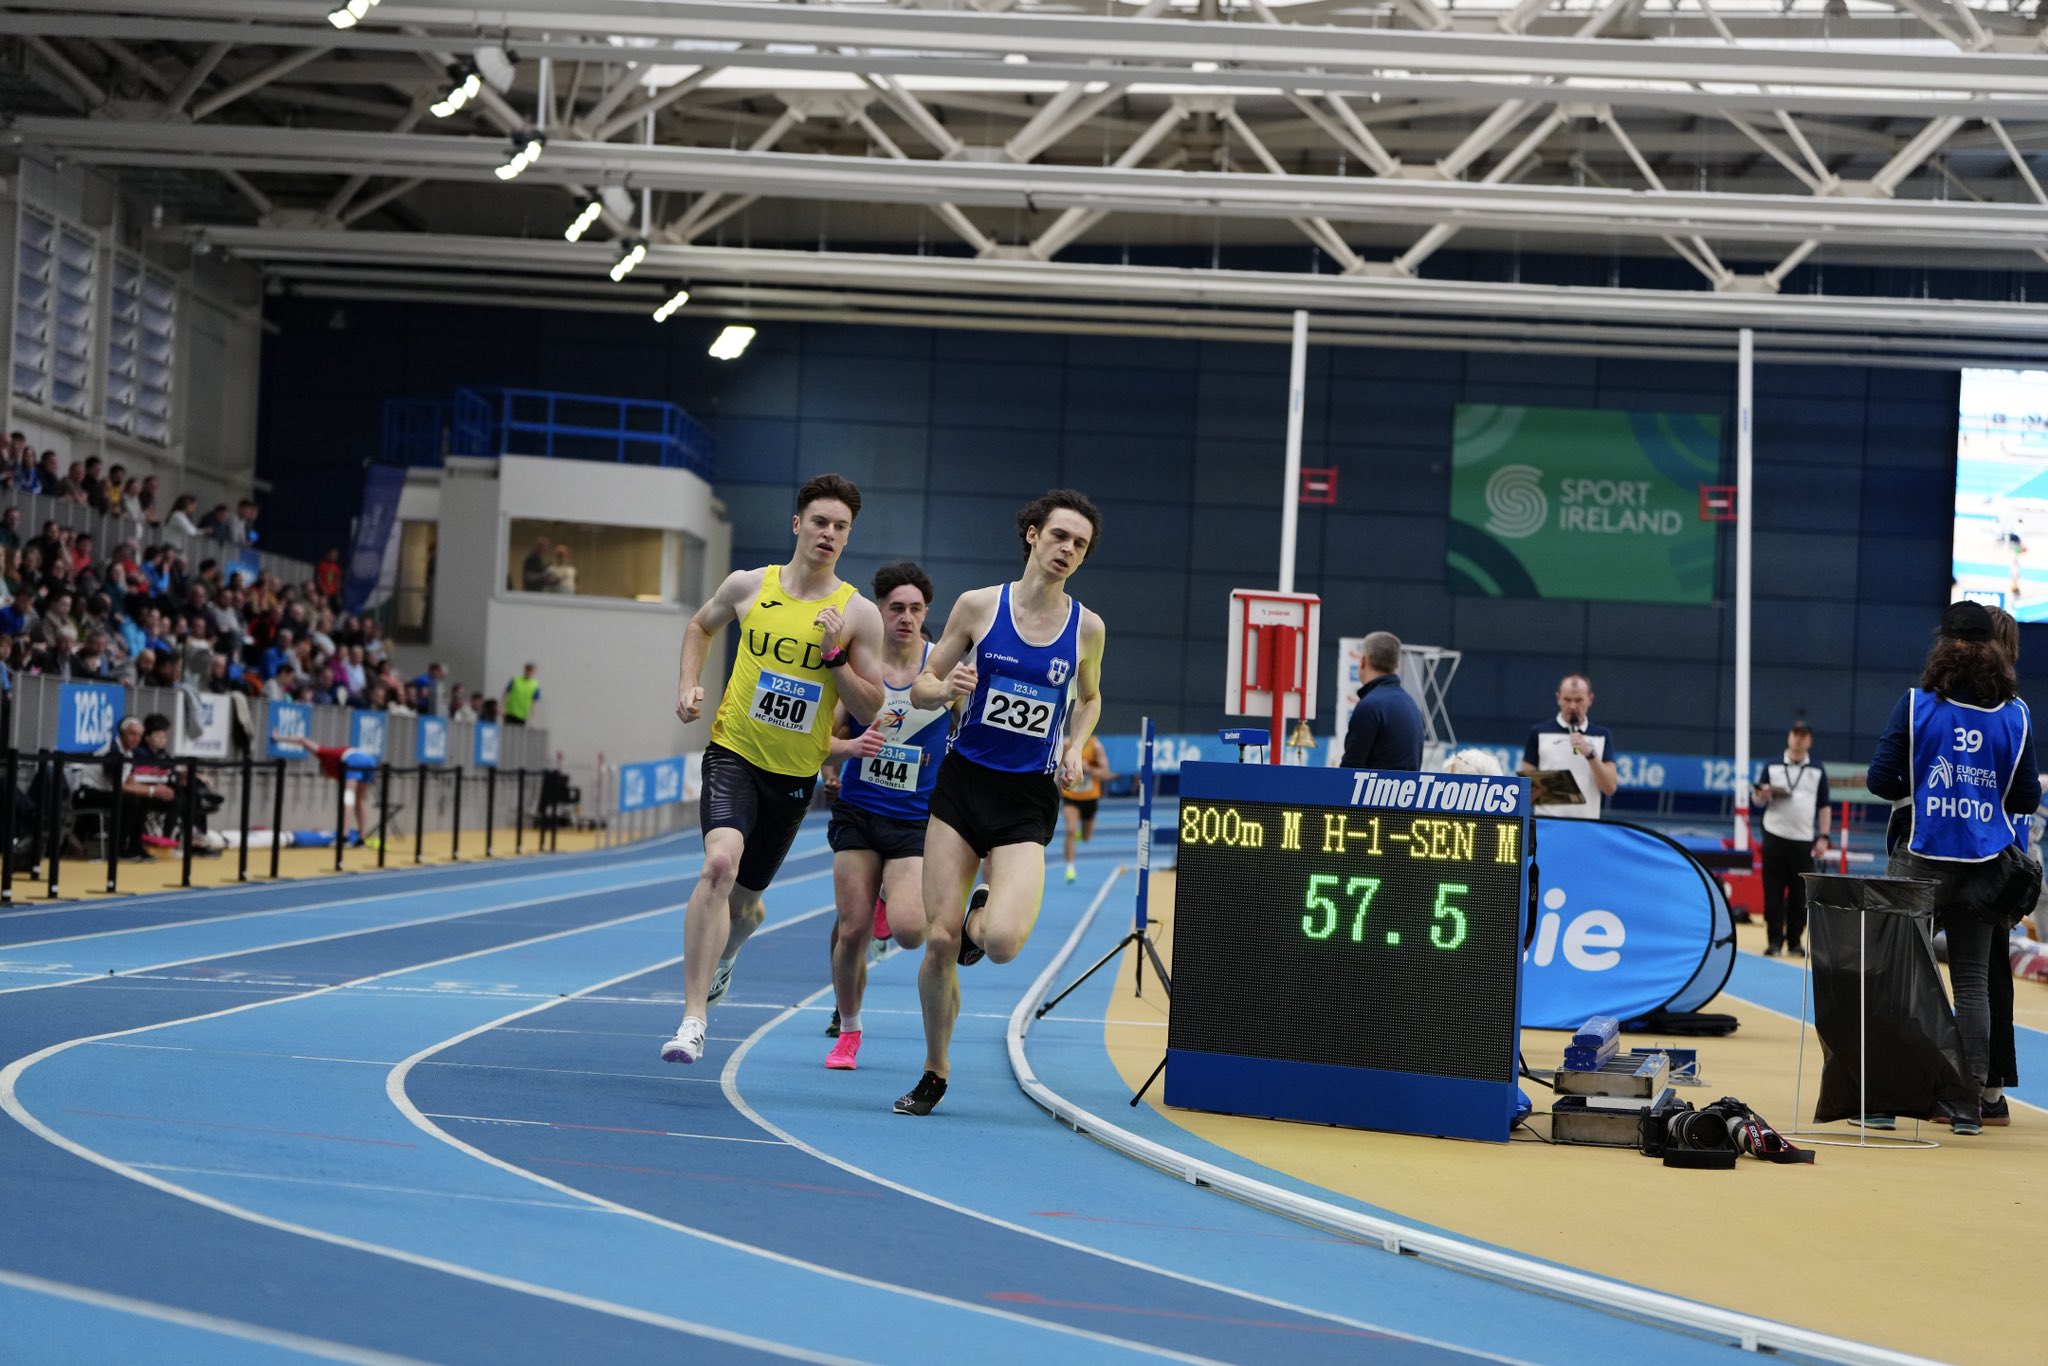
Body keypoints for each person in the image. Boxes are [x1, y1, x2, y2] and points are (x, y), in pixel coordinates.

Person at [660, 473, 886, 1067]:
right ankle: (693, 1019)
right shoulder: (748, 585)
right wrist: (688, 684)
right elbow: (699, 627)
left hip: (792, 778)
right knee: (718, 865)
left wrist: (835, 655)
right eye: (820, 522)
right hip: (734, 750)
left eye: (841, 527)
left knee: (746, 904)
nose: (829, 534)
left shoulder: (858, 612)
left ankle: (735, 942)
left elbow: (871, 709)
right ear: (797, 524)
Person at [895, 489, 1106, 1117]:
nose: (1067, 550)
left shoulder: (1086, 628)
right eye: (1060, 536)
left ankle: (982, 911)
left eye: (1080, 544)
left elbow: (1091, 699)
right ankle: (935, 1069)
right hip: (963, 786)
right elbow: (923, 686)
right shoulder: (978, 607)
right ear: (1033, 534)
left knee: (1004, 942)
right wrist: (946, 686)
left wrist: (1076, 745)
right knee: (938, 940)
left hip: (1026, 799)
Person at [1866, 599, 2040, 1137]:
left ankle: (1884, 1099)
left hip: (1921, 853)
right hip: (1986, 862)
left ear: (1942, 645)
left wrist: (1928, 789)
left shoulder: (1917, 705)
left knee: (1894, 976)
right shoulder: (2016, 714)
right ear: (1994, 651)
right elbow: (2028, 796)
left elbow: (1880, 779)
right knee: (1971, 983)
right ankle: (1968, 1107)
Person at [821, 561, 955, 1071]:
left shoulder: (942, 669)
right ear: (879, 609)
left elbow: (969, 738)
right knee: (852, 930)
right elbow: (822, 743)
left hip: (914, 820)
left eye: (916, 609)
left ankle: (885, 896)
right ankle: (849, 1032)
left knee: (909, 932)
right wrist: (851, 747)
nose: (905, 617)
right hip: (858, 812)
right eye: (896, 607)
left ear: (926, 614)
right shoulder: (861, 664)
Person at [1749, 720, 1832, 958]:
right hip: (1775, 835)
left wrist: (1823, 837)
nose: (1798, 739)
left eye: (1803, 735)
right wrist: (1761, 795)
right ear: (1789, 737)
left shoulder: (1817, 769)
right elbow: (1757, 801)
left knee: (1799, 895)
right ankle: (1774, 941)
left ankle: (1795, 942)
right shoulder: (1772, 765)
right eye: (1795, 734)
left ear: (1809, 740)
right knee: (1772, 891)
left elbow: (1824, 806)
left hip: (1803, 839)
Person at [1519, 673, 1618, 819]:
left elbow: (1610, 788)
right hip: (1548, 823)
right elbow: (1525, 792)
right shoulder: (1539, 733)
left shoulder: (1601, 735)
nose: (1573, 706)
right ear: (1558, 698)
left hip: (1586, 826)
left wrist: (1590, 754)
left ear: (1590, 699)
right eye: (1567, 700)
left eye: (1579, 700)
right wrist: (1556, 789)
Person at [270, 733, 383, 848]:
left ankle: (343, 836)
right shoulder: (338, 771)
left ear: (323, 767)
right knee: (360, 800)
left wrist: (278, 738)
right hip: (369, 760)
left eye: (325, 775)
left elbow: (302, 740)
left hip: (352, 758)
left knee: (349, 798)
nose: (327, 777)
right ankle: (362, 838)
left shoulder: (323, 754)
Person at [1337, 631, 1424, 771]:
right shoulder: (1412, 705)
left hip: (1369, 792)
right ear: (1396, 665)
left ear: (1363, 661)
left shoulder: (1369, 707)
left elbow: (1350, 770)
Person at [1058, 733, 1112, 883]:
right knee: (1070, 830)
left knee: (1086, 838)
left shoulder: (1096, 747)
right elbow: (1057, 767)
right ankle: (1070, 868)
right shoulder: (1067, 744)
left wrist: (1089, 769)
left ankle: (1081, 834)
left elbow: (1105, 772)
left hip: (1090, 797)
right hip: (1071, 797)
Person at [503, 662, 541, 726]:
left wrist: (532, 714)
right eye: (528, 671)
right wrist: (503, 707)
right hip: (510, 711)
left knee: (519, 734)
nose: (529, 673)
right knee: (507, 733)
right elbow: (506, 693)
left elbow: (534, 701)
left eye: (531, 671)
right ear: (525, 670)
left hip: (523, 714)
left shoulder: (535, 685)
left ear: (534, 672)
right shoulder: (515, 680)